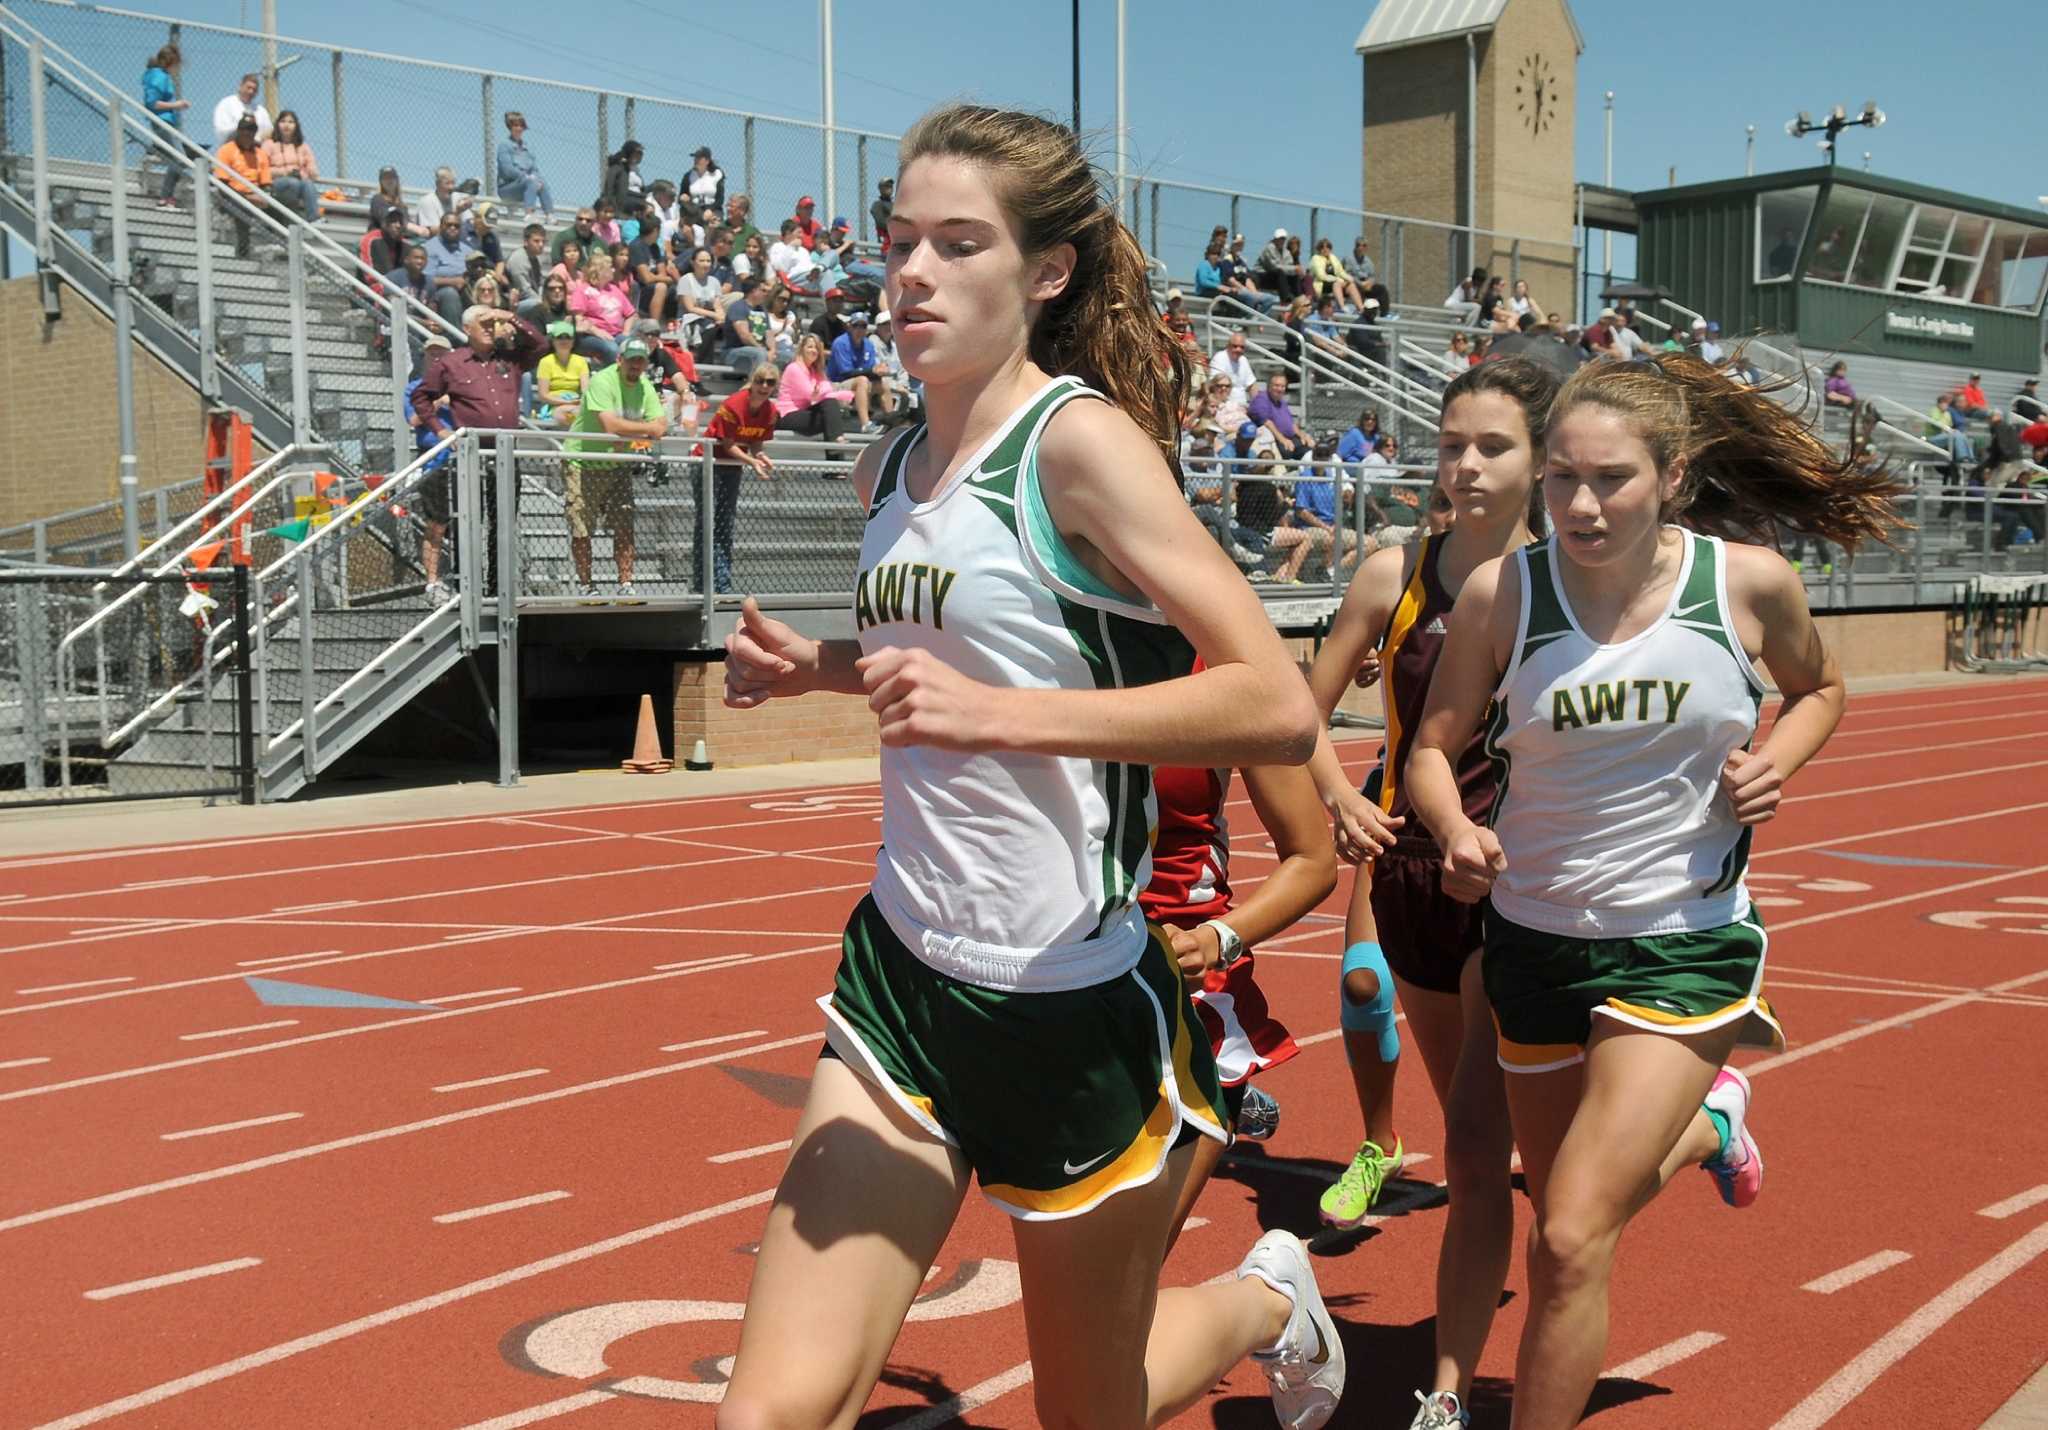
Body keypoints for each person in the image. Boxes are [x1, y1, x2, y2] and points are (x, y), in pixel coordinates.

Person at [717, 104, 1341, 1430]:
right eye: (898, 243)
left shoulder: (1076, 446)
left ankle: (1270, 1294)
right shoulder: (894, 455)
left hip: (1063, 1009)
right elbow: (942, 658)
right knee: (768, 1417)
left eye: (958, 243)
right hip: (902, 978)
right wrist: (818, 666)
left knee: (1090, 1409)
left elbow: (1275, 705)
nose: (913, 275)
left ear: (1045, 271)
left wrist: (999, 715)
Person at [1403, 352, 1901, 1430]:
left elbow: (1819, 688)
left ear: (1671, 476)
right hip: (1532, 943)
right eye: (1562, 480)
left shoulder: (1744, 583)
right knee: (1558, 1208)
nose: (1580, 504)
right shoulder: (1504, 594)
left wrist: (1779, 757)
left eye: (1611, 479)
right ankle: (1709, 1126)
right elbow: (1430, 749)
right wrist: (1451, 827)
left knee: (1569, 1235)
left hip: (1681, 945)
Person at [1305, 360, 1560, 1430]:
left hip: (1516, 882)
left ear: (1538, 462)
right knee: (1488, 1133)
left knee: (1466, 1142)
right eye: (1451, 443)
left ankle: (1445, 1390)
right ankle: (1687, 1124)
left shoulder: (1568, 580)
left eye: (1490, 446)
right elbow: (1293, 709)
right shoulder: (1392, 574)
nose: (1463, 464)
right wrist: (1333, 794)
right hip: (1408, 868)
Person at [1145, 662, 1336, 1243]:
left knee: (1133, 1268)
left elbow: (1313, 860)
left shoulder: (1219, 666)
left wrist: (1215, 939)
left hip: (1183, 967)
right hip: (1067, 960)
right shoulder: (1048, 653)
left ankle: (1271, 1302)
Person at [411, 303, 544, 601]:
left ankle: (499, 590)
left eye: (490, 324)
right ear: (467, 329)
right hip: (470, 458)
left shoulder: (510, 358)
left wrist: (508, 317)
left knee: (503, 523)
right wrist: (440, 429)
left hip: (505, 455)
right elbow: (421, 396)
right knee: (467, 522)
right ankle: (466, 588)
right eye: (482, 324)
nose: (488, 328)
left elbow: (540, 344)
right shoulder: (452, 362)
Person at [561, 339, 666, 597]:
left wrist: (639, 430)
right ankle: (587, 585)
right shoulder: (602, 381)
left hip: (618, 464)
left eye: (640, 360)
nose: (635, 365)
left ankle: (626, 585)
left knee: (624, 524)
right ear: (620, 360)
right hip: (582, 462)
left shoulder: (645, 386)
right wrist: (645, 428)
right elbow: (610, 426)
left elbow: (661, 425)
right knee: (582, 527)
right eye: (631, 359)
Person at [698, 359, 780, 594]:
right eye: (760, 381)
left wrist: (761, 457)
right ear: (751, 382)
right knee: (705, 524)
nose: (764, 386)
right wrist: (752, 461)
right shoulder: (734, 404)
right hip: (710, 463)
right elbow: (728, 443)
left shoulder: (770, 411)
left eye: (770, 382)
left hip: (733, 465)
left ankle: (722, 585)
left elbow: (756, 442)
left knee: (725, 525)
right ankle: (702, 584)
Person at [777, 332, 862, 453]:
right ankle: (835, 452)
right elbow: (811, 395)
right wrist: (843, 395)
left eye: (816, 347)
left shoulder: (815, 371)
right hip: (788, 415)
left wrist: (846, 395)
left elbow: (825, 391)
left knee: (830, 415)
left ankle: (835, 452)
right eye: (810, 347)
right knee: (831, 415)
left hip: (805, 412)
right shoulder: (794, 368)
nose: (814, 350)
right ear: (802, 349)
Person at [140, 43, 193, 206]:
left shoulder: (160, 75)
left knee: (180, 158)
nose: (177, 68)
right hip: (162, 123)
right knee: (179, 160)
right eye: (176, 64)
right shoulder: (159, 76)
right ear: (169, 62)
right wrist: (176, 105)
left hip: (167, 123)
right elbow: (152, 103)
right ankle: (165, 195)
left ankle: (155, 148)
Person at [211, 116, 271, 259]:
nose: (247, 133)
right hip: (229, 197)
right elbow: (222, 185)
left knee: (283, 202)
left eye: (251, 130)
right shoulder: (226, 150)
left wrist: (263, 196)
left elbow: (266, 184)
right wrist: (248, 198)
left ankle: (283, 250)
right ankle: (243, 254)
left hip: (255, 196)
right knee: (242, 207)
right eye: (244, 129)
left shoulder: (260, 154)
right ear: (238, 131)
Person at [568, 252, 633, 364]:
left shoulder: (614, 289)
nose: (613, 270)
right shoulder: (583, 291)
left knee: (632, 346)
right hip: (589, 336)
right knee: (611, 349)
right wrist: (597, 331)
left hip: (616, 334)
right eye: (609, 268)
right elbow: (579, 321)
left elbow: (630, 314)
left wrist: (626, 333)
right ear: (598, 272)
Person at [828, 311, 893, 420]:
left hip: (860, 382)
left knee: (883, 384)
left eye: (863, 326)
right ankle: (866, 424)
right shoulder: (840, 343)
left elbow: (871, 370)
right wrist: (872, 371)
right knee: (862, 380)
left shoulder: (868, 344)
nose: (859, 329)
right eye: (855, 325)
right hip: (836, 384)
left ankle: (891, 421)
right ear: (849, 327)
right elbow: (846, 373)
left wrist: (879, 371)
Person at [258, 110, 320, 223]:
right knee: (293, 183)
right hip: (276, 182)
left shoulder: (303, 146)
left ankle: (314, 219)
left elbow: (312, 166)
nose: (287, 125)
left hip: (299, 181)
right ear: (277, 124)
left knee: (308, 184)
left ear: (296, 126)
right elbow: (262, 169)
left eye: (291, 122)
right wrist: (284, 172)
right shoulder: (269, 144)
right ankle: (291, 219)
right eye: (283, 121)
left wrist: (309, 172)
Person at [419, 209, 477, 327]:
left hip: (466, 290)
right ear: (441, 227)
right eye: (449, 225)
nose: (453, 228)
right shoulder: (430, 248)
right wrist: (453, 282)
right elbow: (425, 280)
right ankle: (456, 337)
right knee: (450, 293)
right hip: (438, 293)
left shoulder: (468, 250)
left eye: (456, 226)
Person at [495, 112, 552, 218]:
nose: (519, 128)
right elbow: (507, 170)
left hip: (526, 186)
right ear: (510, 127)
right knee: (531, 181)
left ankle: (549, 215)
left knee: (541, 182)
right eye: (516, 125)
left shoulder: (528, 147)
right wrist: (526, 177)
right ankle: (529, 214)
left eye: (521, 125)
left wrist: (538, 181)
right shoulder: (504, 145)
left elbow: (534, 169)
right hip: (507, 189)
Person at [532, 321, 589, 426]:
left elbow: (585, 390)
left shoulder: (581, 361)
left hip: (576, 403)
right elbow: (543, 395)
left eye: (568, 337)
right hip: (555, 404)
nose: (564, 341)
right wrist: (566, 402)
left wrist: (577, 402)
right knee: (566, 413)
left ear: (573, 341)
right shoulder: (546, 362)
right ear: (553, 341)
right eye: (560, 337)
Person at [719, 273, 771, 378]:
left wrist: (772, 350)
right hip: (733, 353)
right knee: (760, 354)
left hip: (757, 350)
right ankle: (756, 388)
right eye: (763, 291)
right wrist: (763, 349)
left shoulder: (762, 310)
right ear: (753, 291)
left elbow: (769, 333)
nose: (767, 294)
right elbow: (744, 336)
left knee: (788, 357)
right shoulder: (738, 307)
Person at [1249, 372, 1308, 461]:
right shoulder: (1261, 399)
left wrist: (1302, 436)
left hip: (1291, 439)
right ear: (1269, 386)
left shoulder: (1281, 402)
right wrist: (1282, 440)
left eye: (1282, 386)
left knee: (1310, 450)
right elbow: (1267, 423)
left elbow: (1291, 424)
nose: (1280, 389)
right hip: (1275, 441)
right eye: (1276, 385)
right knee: (1287, 451)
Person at [210, 73, 270, 145]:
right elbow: (221, 132)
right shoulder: (226, 104)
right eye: (248, 88)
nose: (251, 91)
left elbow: (269, 131)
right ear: (240, 87)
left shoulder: (261, 110)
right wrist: (243, 126)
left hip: (256, 149)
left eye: (254, 90)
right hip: (233, 147)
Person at [1310, 238, 1365, 312]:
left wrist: (1349, 279)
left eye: (1328, 247)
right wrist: (1337, 279)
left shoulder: (1333, 258)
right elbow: (1321, 276)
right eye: (1322, 247)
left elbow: (1341, 272)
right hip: (1322, 285)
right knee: (1337, 283)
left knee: (1350, 284)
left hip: (1336, 283)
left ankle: (1361, 308)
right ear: (1319, 249)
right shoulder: (1315, 258)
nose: (1325, 249)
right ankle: (1342, 308)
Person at [412, 166, 472, 236]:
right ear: (437, 184)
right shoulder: (428, 201)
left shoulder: (457, 198)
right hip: (431, 243)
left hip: (453, 241)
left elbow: (470, 223)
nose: (451, 187)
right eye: (447, 183)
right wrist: (457, 212)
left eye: (453, 183)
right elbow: (433, 232)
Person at [1209, 331, 1257, 408]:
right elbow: (1216, 386)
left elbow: (1252, 386)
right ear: (1228, 346)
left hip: (1242, 406)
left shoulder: (1243, 360)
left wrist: (1257, 404)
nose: (1238, 349)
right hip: (1224, 407)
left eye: (1242, 347)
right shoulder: (1219, 358)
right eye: (1235, 346)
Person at [602, 141, 646, 216]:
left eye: (641, 153)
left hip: (637, 198)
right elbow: (615, 190)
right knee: (646, 206)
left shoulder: (635, 170)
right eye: (638, 153)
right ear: (629, 152)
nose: (640, 156)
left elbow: (641, 189)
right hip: (623, 200)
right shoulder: (619, 167)